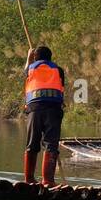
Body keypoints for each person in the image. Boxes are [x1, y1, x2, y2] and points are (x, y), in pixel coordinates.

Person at [23, 46, 65, 185]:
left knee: (32, 144)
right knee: (51, 145)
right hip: (53, 109)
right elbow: (61, 89)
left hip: (34, 109)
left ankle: (29, 179)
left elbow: (25, 73)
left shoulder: (31, 68)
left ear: (35, 57)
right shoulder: (58, 70)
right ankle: (48, 181)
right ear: (50, 58)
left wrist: (29, 58)